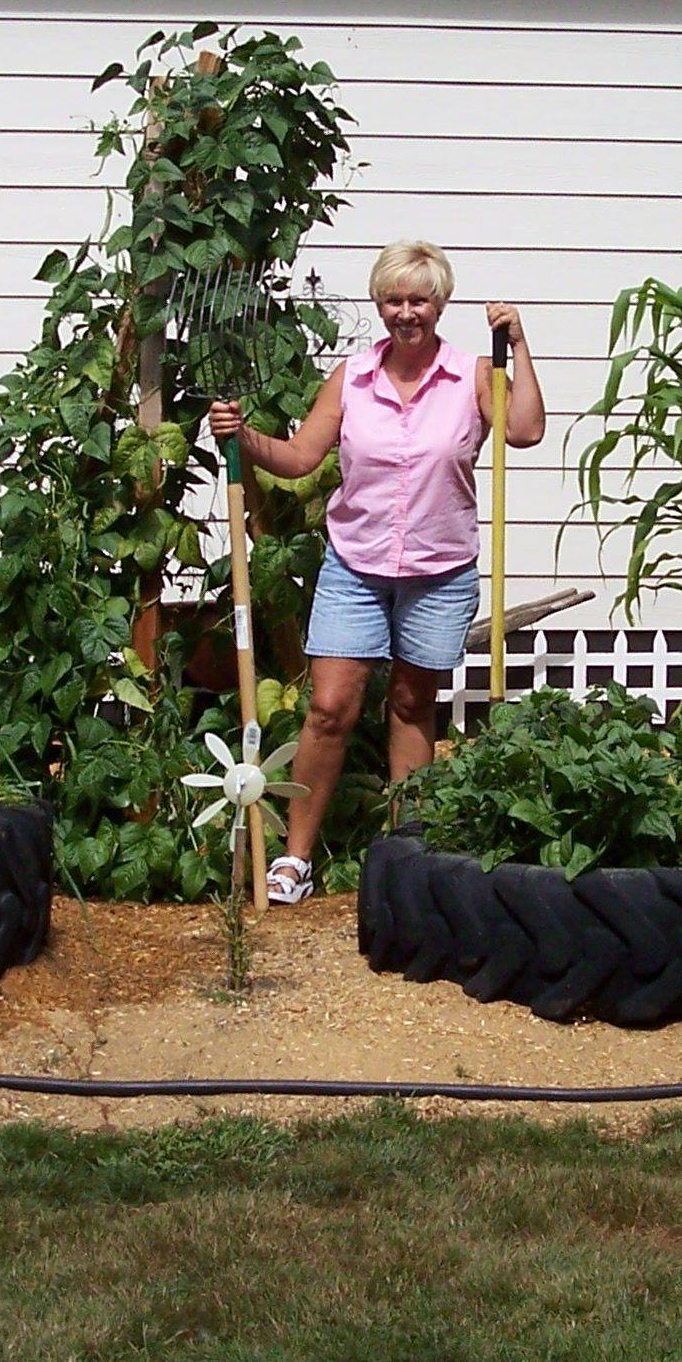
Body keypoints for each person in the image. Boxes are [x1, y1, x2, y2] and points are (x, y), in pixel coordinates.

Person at [205, 241, 545, 903]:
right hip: (355, 565)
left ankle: (404, 855)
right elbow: (301, 457)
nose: (405, 312)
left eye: (419, 299)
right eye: (393, 299)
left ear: (440, 303)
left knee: (414, 704)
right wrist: (242, 438)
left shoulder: (473, 374)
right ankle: (296, 859)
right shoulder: (352, 377)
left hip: (439, 571)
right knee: (330, 707)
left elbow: (526, 429)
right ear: (378, 303)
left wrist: (519, 343)